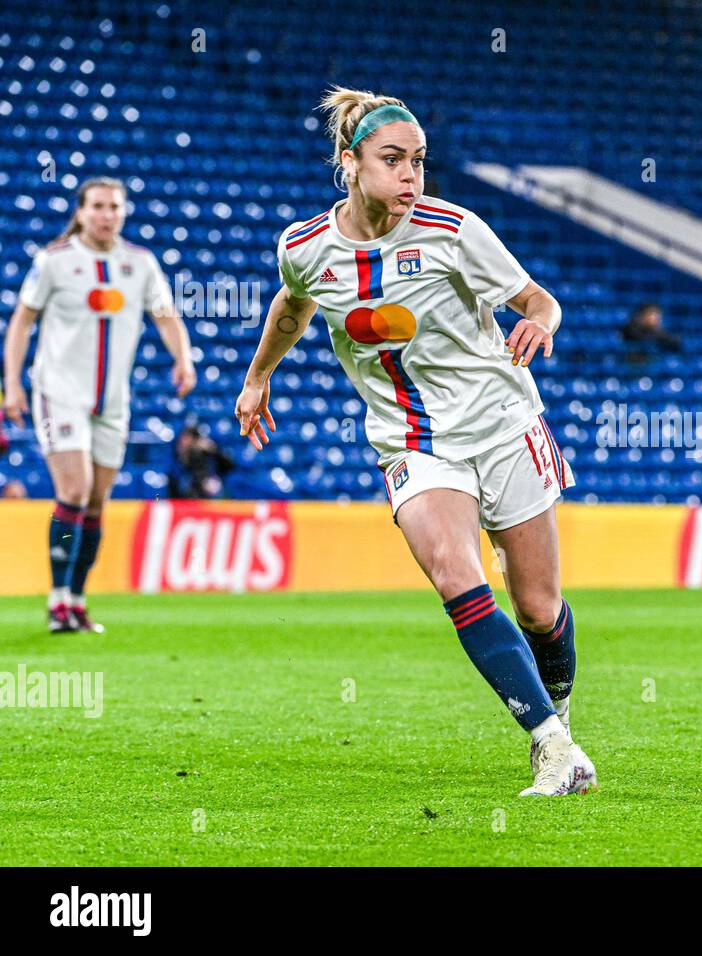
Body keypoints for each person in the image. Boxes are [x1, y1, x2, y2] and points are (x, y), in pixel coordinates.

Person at [234, 87, 593, 797]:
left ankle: (561, 713)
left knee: (539, 609)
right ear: (350, 162)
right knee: (457, 576)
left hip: (504, 426)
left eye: (419, 162)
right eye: (393, 160)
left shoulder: (453, 229)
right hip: (413, 442)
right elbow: (291, 305)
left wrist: (542, 323)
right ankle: (552, 746)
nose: (409, 177)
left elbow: (535, 298)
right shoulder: (306, 247)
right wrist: (257, 380)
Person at [3, 176, 196, 633]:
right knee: (73, 490)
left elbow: (166, 317)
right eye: (98, 206)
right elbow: (20, 323)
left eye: (115, 207)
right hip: (59, 392)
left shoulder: (141, 264)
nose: (108, 215)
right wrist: (12, 384)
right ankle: (56, 601)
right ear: (82, 211)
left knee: (94, 502)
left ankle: (76, 599)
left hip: (112, 402)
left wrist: (183, 359)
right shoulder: (53, 262)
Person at [168, 423, 236, 499]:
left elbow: (230, 466)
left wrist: (215, 450)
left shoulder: (206, 457)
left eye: (189, 439)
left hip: (206, 498)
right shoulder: (175, 461)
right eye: (183, 439)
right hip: (184, 502)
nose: (185, 443)